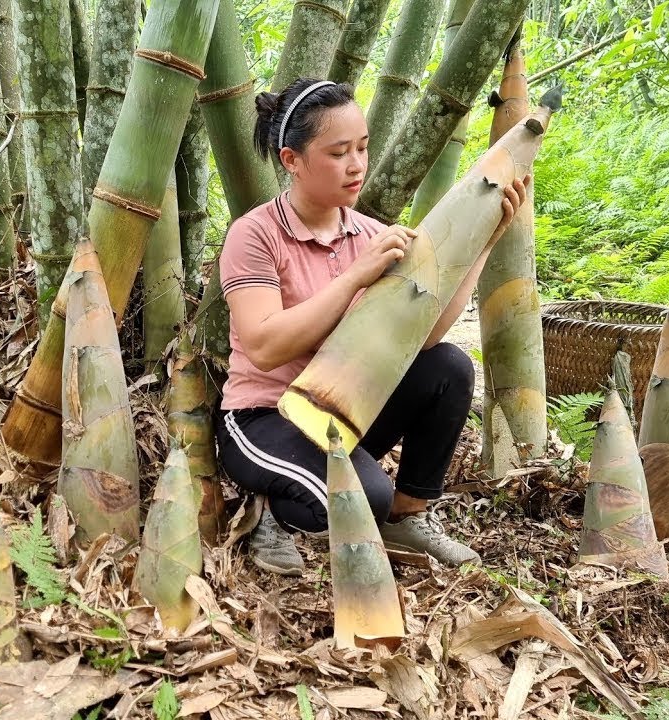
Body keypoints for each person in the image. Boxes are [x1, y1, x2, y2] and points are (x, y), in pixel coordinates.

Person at [214, 78, 528, 576]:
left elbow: (423, 338)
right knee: (365, 498)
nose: (357, 164)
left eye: (362, 147)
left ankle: (408, 515)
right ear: (291, 160)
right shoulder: (254, 234)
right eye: (338, 152)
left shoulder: (372, 236)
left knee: (448, 367)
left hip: (342, 409)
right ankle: (269, 509)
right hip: (265, 416)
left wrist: (484, 245)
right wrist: (357, 276)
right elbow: (265, 346)